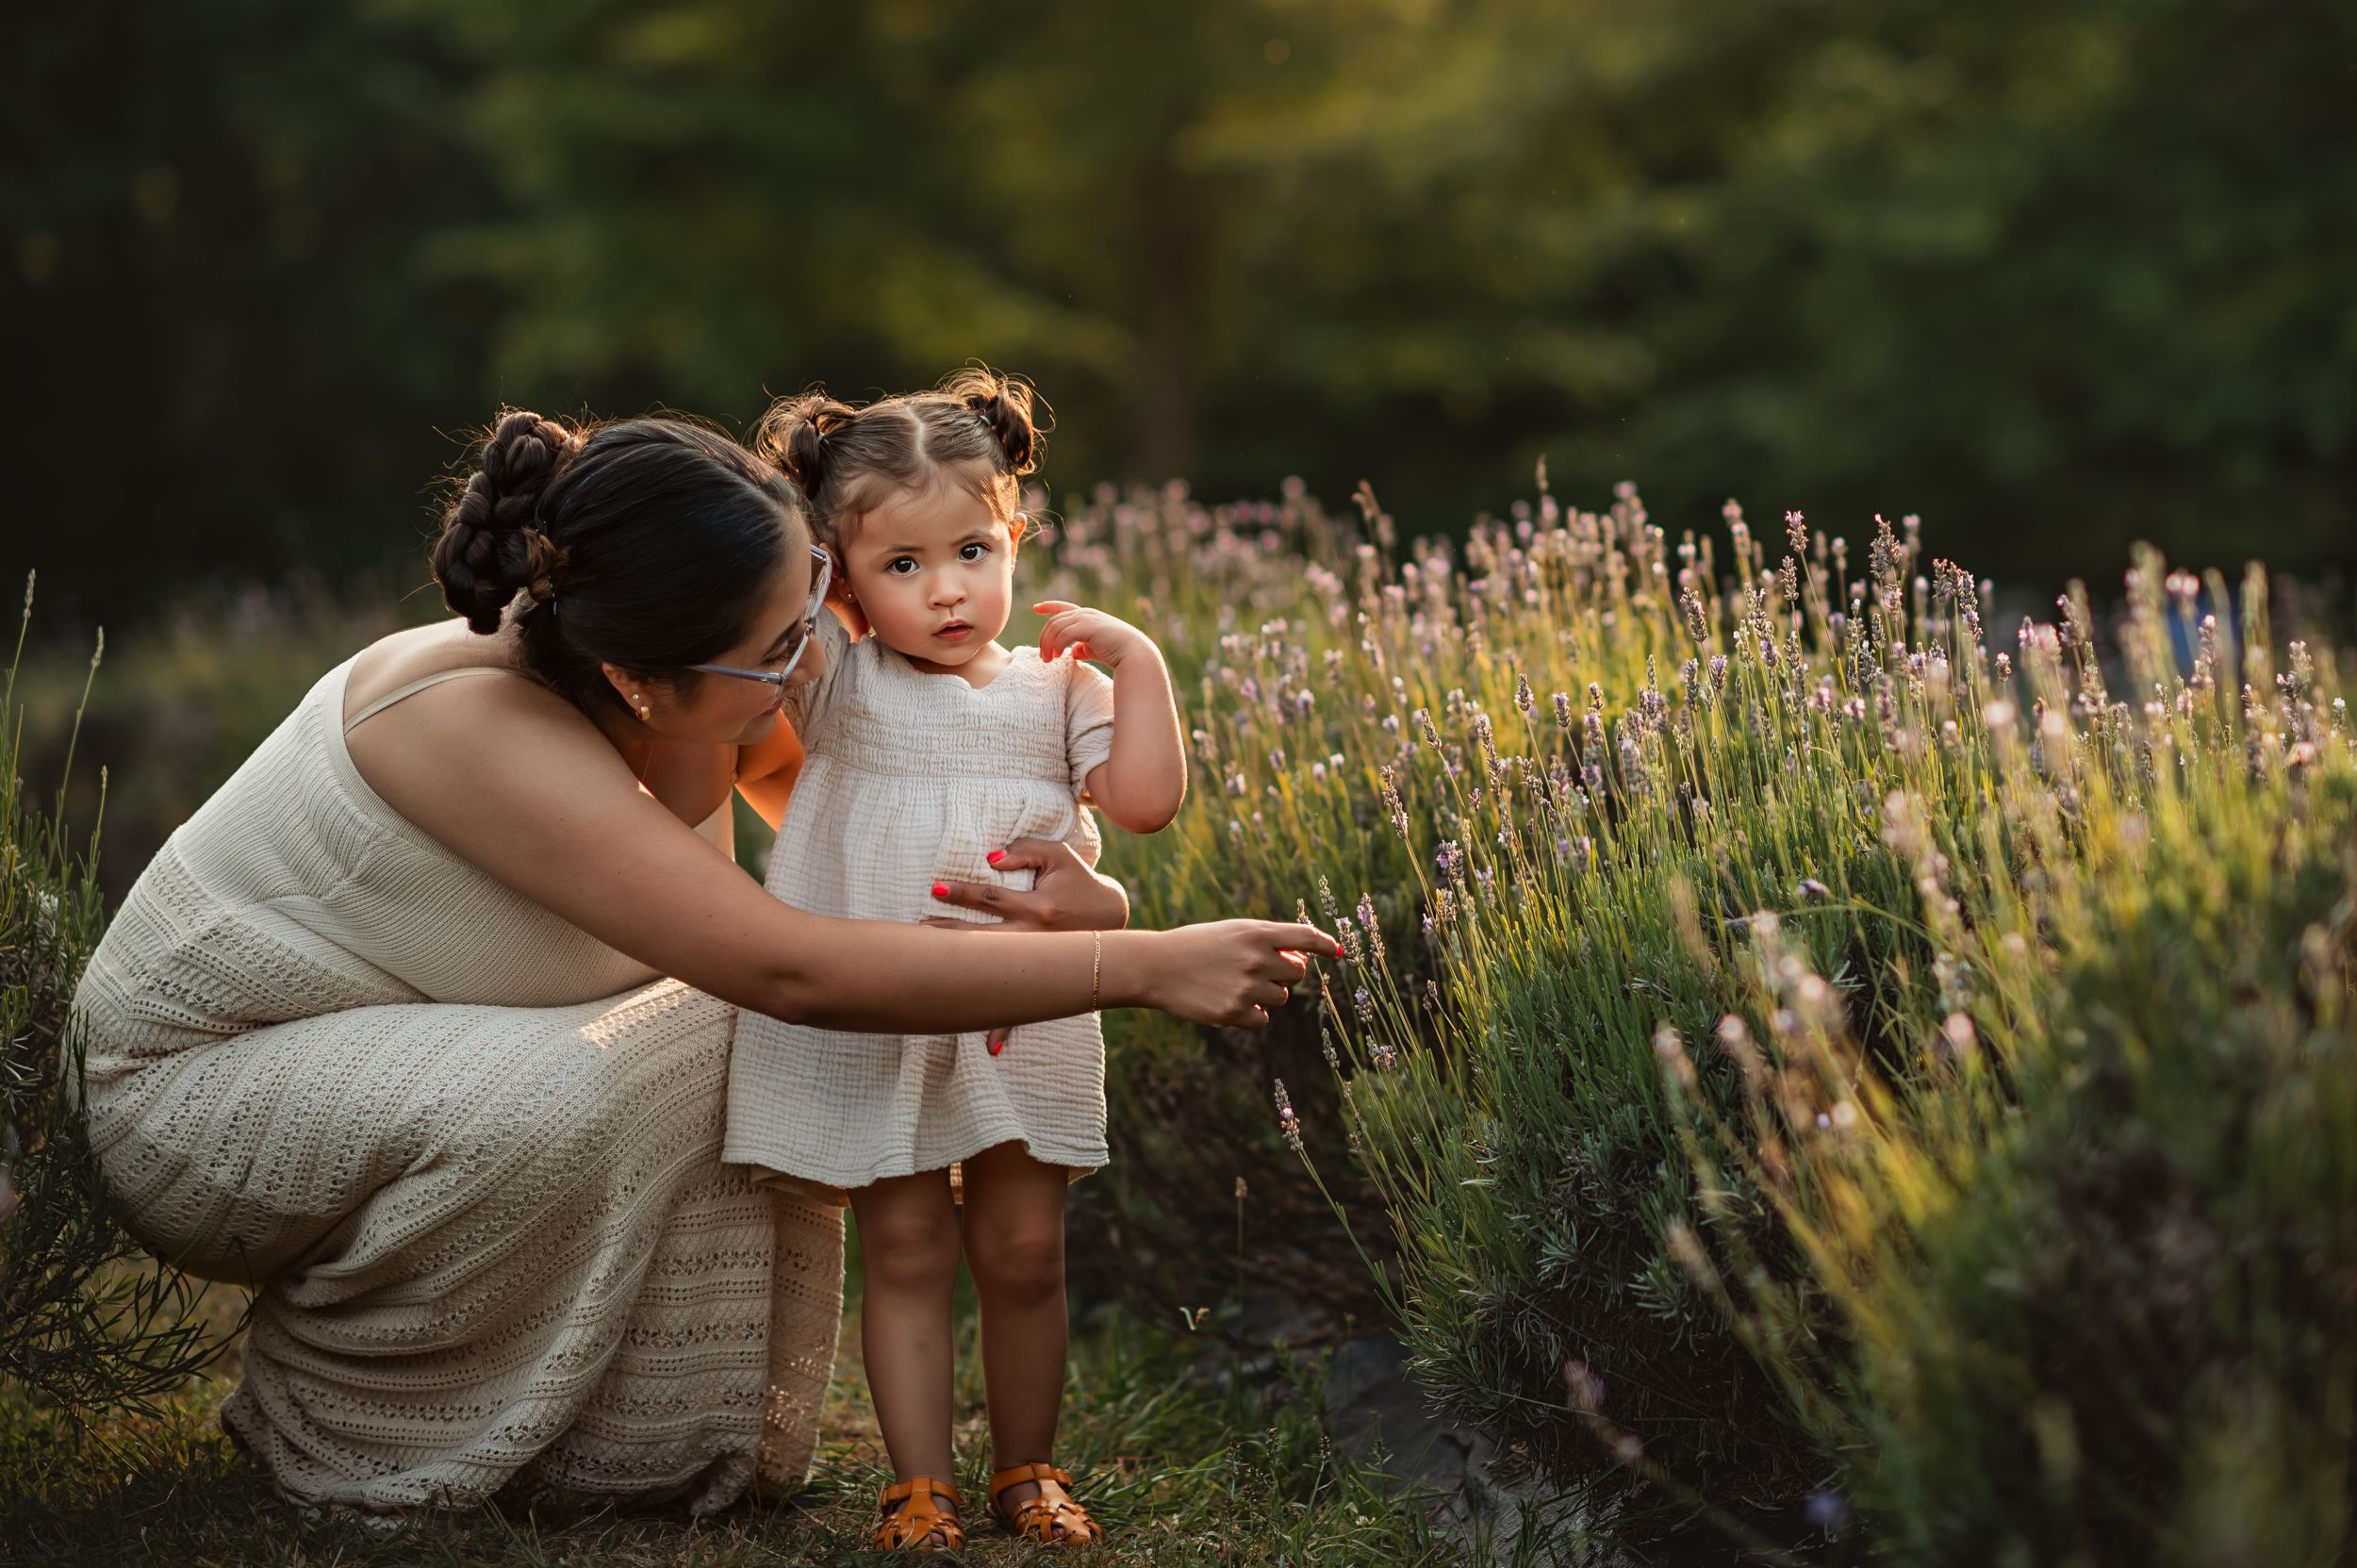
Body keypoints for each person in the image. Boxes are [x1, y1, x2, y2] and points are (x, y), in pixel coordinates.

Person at [69, 408, 1334, 1516]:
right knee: (700, 1042)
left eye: (815, 612)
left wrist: (1089, 893)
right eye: (789, 640)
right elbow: (797, 968)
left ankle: (626, 1434)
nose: (817, 659)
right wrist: (1139, 962)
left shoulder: (667, 674)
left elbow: (898, 862)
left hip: (376, 1066)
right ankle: (346, 1416)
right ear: (644, 674)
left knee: (729, 1043)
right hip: (193, 1100)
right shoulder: (470, 719)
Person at [725, 371, 1174, 1551]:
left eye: (973, 550)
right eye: (902, 566)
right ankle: (916, 1485)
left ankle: (1028, 1467)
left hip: (1020, 1015)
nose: (947, 590)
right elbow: (770, 627)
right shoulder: (837, 680)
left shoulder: (1058, 689)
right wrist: (814, 568)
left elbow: (1145, 803)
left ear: (1016, 536)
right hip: (880, 1012)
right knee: (908, 1247)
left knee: (1024, 1250)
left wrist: (1142, 667)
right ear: (845, 575)